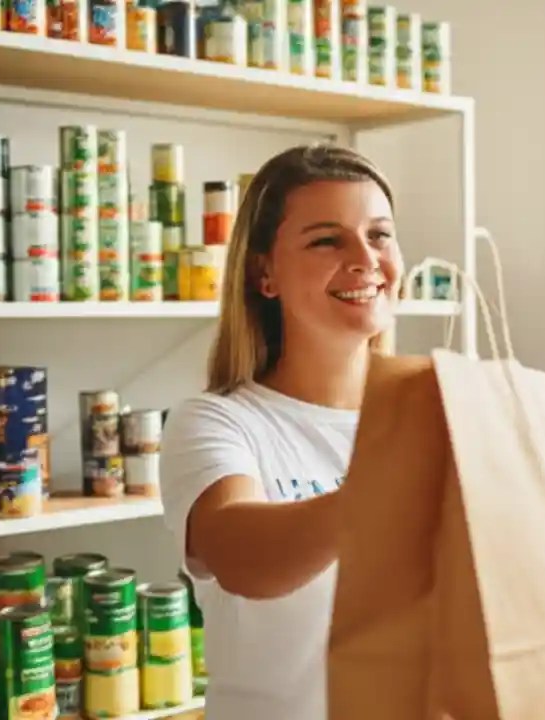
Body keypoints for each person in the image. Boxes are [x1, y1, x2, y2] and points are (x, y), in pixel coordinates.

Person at [159, 143, 403, 720]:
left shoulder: (440, 411)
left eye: (380, 234)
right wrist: (388, 487)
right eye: (327, 239)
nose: (366, 259)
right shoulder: (217, 422)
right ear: (263, 273)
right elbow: (244, 558)